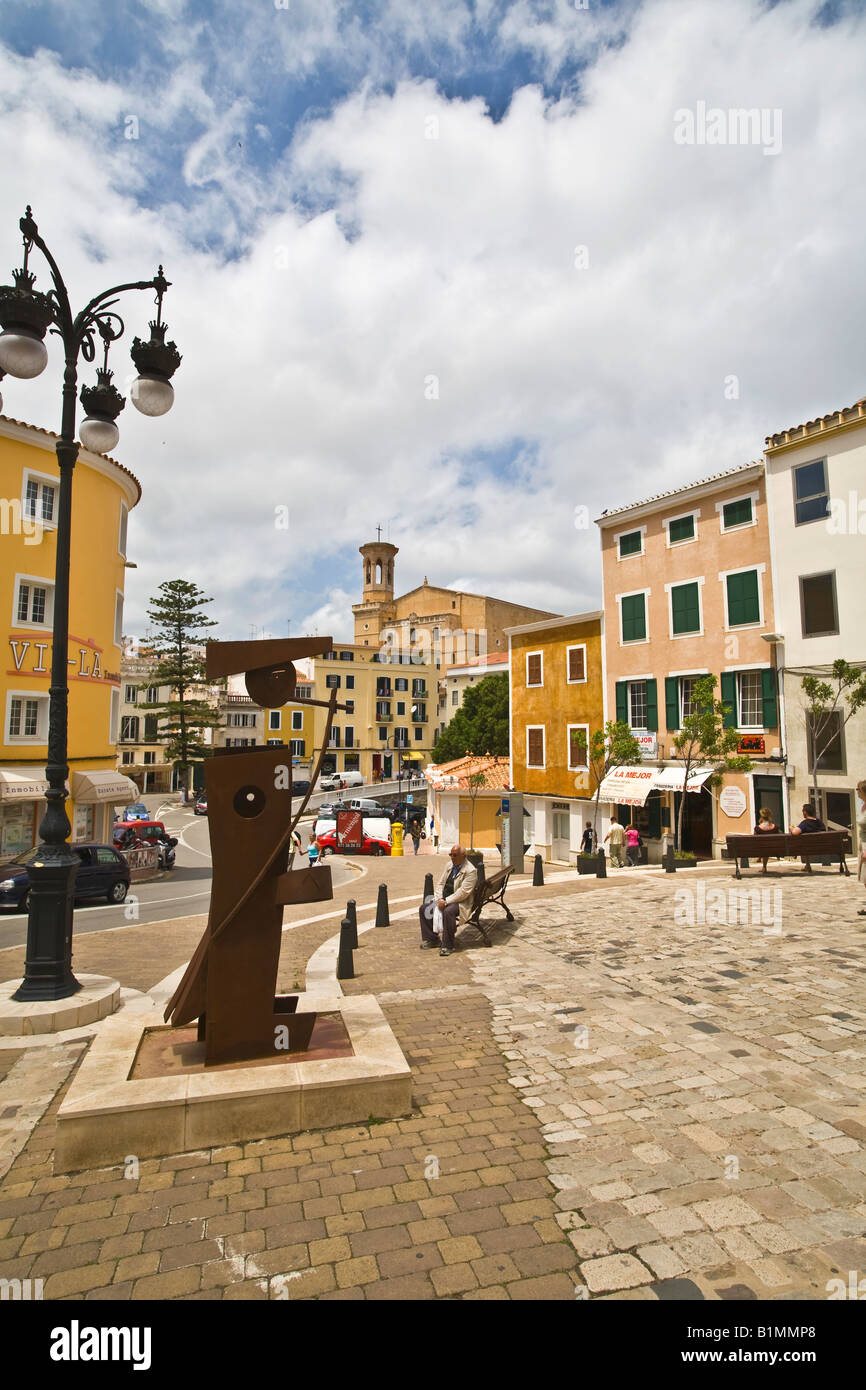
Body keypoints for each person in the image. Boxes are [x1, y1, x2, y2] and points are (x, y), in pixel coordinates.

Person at [418, 844, 477, 957]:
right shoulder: (449, 865)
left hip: (460, 902)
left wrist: (446, 902)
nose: (452, 857)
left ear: (464, 856)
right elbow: (441, 883)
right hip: (444, 898)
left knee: (448, 912)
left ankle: (448, 944)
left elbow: (463, 892)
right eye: (451, 854)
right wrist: (440, 898)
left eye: (455, 855)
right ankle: (432, 939)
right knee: (424, 908)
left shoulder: (470, 871)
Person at [790, 803, 826, 873]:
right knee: (805, 842)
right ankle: (807, 865)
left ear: (805, 812)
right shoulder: (820, 822)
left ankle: (807, 864)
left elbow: (795, 832)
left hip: (807, 847)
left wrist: (791, 828)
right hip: (821, 846)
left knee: (803, 843)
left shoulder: (805, 823)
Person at [753, 806, 778, 874]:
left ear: (761, 817)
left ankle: (763, 864)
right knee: (767, 845)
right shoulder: (775, 827)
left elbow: (754, 839)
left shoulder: (757, 828)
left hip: (762, 848)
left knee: (763, 846)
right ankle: (763, 865)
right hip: (773, 848)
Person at [857, 779, 866, 916]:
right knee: (865, 878)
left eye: (857, 789)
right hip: (863, 844)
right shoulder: (863, 805)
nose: (857, 792)